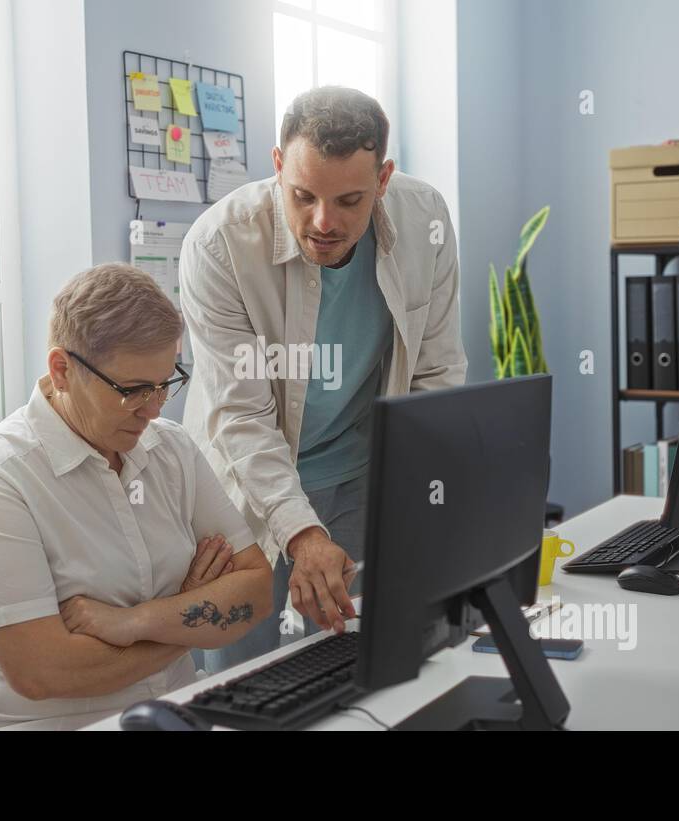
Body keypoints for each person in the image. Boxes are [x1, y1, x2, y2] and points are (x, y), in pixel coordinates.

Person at [180, 86, 466, 669]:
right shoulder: (219, 245)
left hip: (363, 480)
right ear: (278, 164)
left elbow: (435, 374)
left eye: (349, 200)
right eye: (303, 195)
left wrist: (425, 501)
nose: (323, 222)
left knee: (357, 670)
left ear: (383, 180)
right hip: (245, 493)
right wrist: (302, 535)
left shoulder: (425, 219)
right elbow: (242, 418)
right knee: (249, 682)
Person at [0, 263, 272, 730]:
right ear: (62, 370)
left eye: (165, 384)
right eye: (134, 391)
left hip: (167, 711)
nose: (155, 410)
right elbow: (41, 673)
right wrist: (188, 618)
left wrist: (135, 621)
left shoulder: (171, 447)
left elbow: (256, 592)